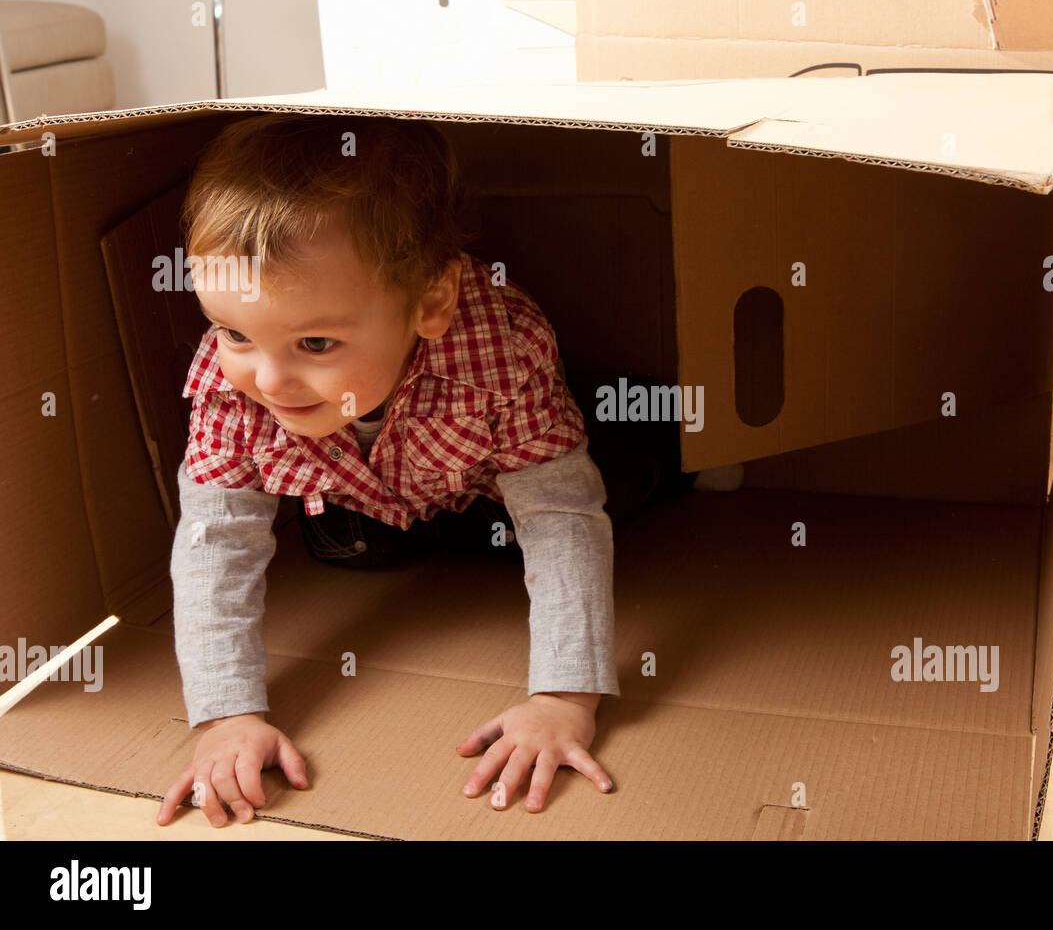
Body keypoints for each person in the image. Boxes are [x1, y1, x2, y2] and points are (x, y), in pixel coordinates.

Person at [156, 113, 681, 827]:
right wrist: (225, 716)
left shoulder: (502, 347)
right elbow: (214, 543)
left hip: (492, 481)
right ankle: (424, 537)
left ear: (431, 302)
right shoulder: (231, 381)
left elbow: (560, 519)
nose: (269, 378)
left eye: (315, 341)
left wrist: (563, 697)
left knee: (616, 484)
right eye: (234, 331)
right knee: (345, 547)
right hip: (362, 497)